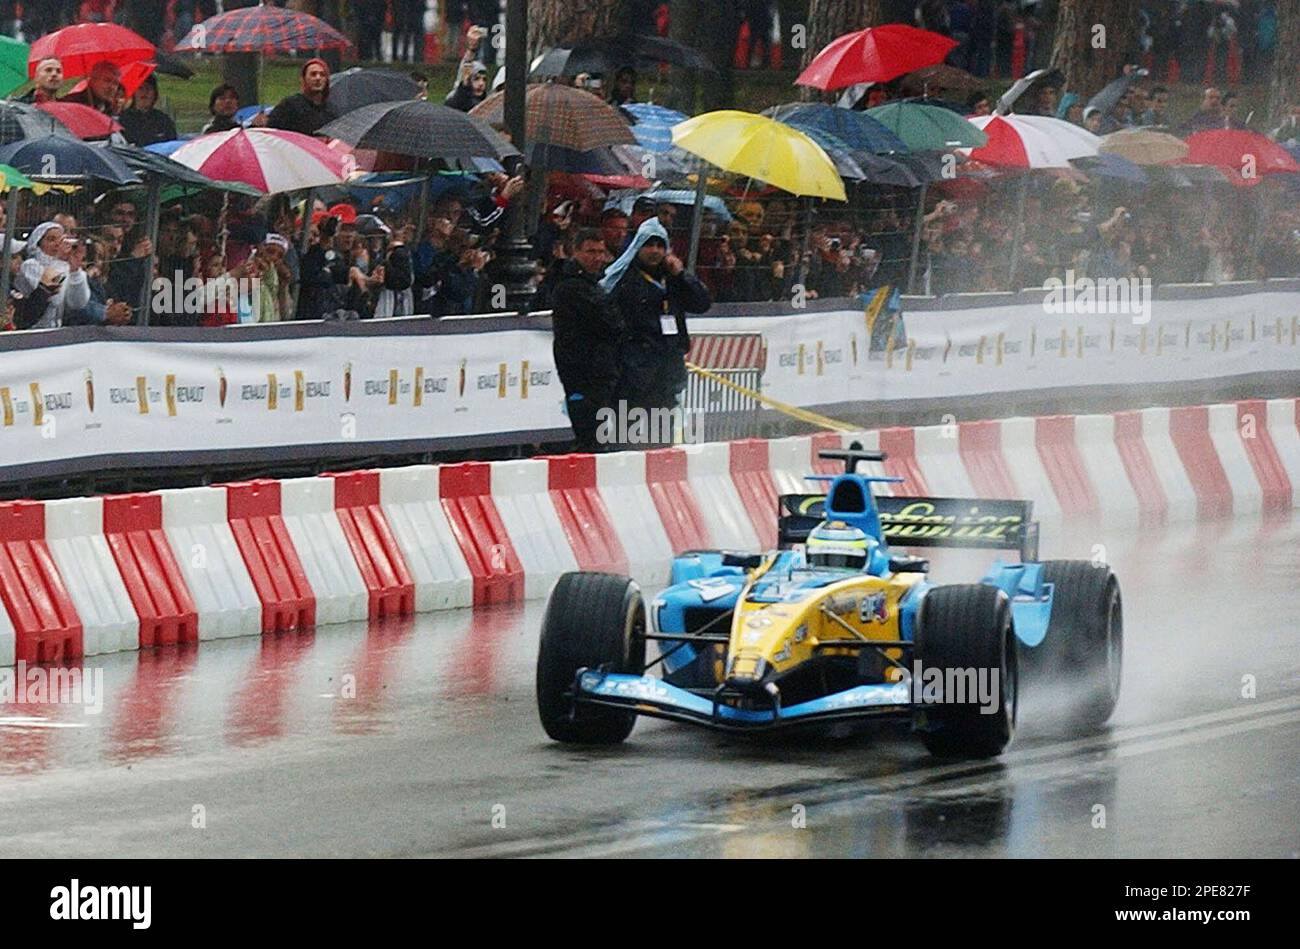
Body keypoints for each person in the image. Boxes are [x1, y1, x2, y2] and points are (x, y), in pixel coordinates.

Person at [602, 218, 711, 426]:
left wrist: (681, 275)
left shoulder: (671, 278)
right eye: (649, 245)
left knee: (661, 440)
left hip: (666, 375)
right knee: (627, 437)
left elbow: (701, 303)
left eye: (660, 245)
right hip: (633, 375)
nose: (655, 251)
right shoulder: (625, 279)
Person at [550, 229, 622, 452]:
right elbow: (610, 323)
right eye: (591, 251)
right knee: (591, 436)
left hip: (601, 369)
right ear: (576, 252)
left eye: (601, 252)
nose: (597, 258)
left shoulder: (594, 284)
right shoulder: (571, 286)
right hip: (582, 371)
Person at [13, 223, 91, 330]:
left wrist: (75, 271)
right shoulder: (30, 265)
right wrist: (58, 259)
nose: (57, 244)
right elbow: (54, 297)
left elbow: (77, 303)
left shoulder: (62, 266)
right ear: (38, 243)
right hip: (32, 330)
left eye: (60, 240)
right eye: (51, 239)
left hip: (55, 330)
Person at [268, 59, 337, 137]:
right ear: (303, 79)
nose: (318, 78)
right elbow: (271, 132)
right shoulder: (289, 106)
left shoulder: (331, 110)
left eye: (322, 75)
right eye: (313, 74)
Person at [118, 75, 178, 148]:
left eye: (149, 88)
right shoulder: (122, 120)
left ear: (155, 93)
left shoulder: (163, 120)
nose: (145, 92)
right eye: (140, 88)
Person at [446, 25, 490, 112]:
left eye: (484, 79)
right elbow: (465, 70)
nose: (481, 83)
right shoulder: (455, 102)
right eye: (476, 79)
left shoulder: (489, 106)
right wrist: (472, 48)